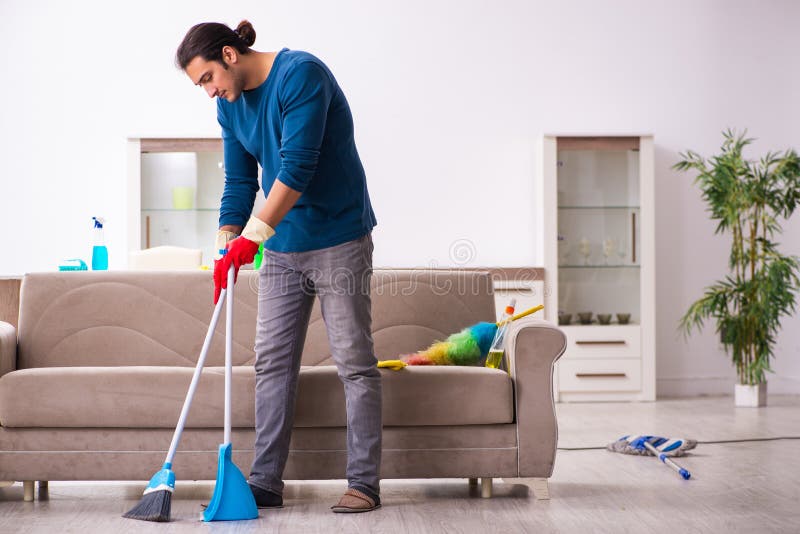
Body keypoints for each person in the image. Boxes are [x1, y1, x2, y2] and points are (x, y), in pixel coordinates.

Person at [176, 20, 382, 513]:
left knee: (353, 362)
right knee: (271, 362)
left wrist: (252, 240)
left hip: (339, 235)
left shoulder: (301, 74)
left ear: (229, 54)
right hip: (284, 245)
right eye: (200, 87)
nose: (209, 93)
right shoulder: (231, 106)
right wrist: (228, 245)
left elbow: (295, 168)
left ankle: (364, 483)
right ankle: (265, 481)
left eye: (207, 79)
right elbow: (240, 182)